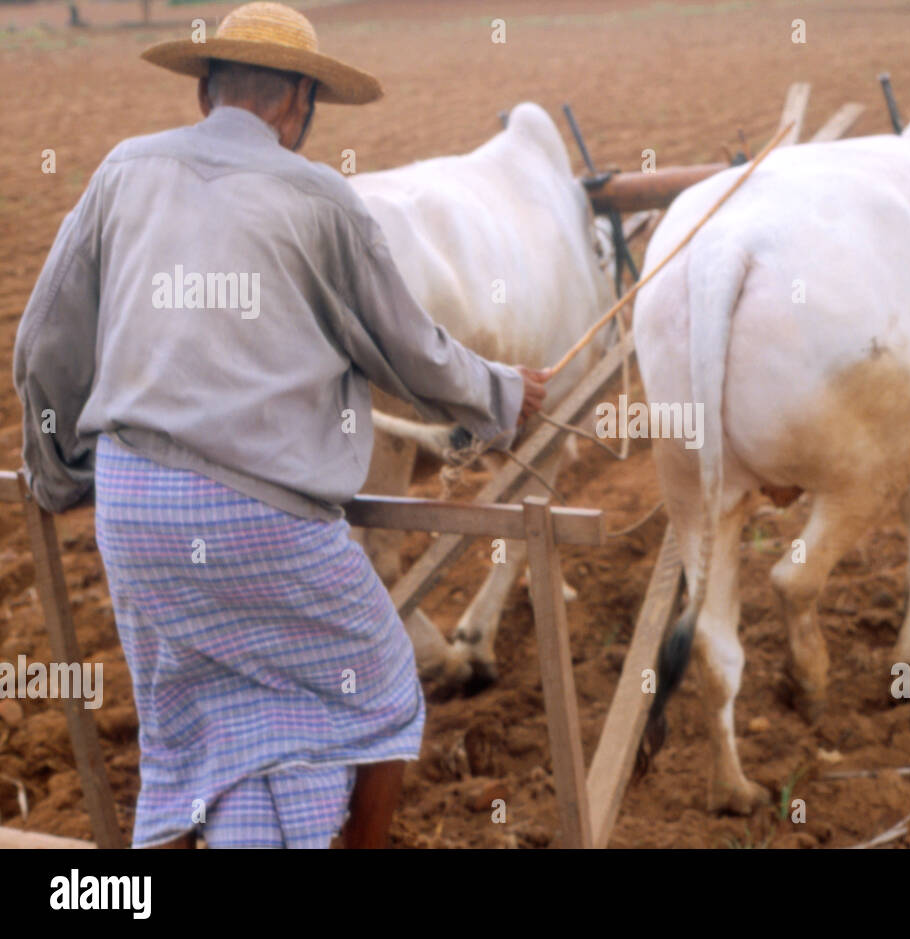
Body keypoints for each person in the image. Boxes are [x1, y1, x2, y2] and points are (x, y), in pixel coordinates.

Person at [12, 1, 548, 848]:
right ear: (299, 104)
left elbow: (43, 340)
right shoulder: (319, 195)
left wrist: (58, 471)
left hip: (132, 508)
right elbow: (408, 349)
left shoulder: (121, 171)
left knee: (186, 724)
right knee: (382, 687)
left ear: (205, 96)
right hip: (258, 518)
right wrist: (507, 395)